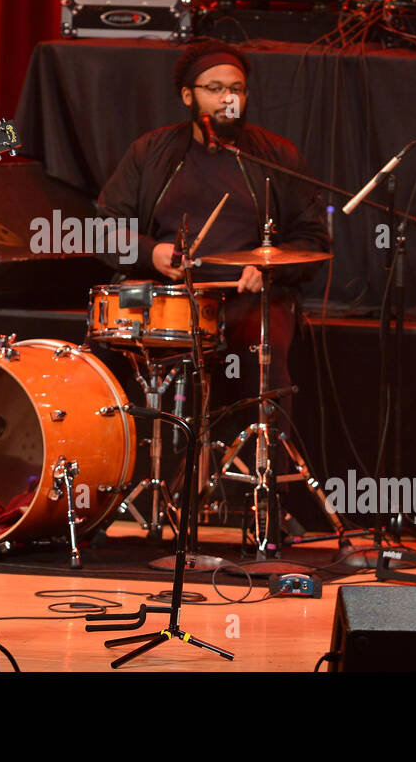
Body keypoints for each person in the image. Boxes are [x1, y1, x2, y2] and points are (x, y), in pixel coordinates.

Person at [96, 39, 330, 528]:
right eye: (215, 88)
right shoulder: (152, 151)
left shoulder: (274, 155)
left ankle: (265, 504)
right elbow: (104, 229)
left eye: (237, 89)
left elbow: (313, 237)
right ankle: (118, 486)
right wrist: (150, 253)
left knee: (263, 358)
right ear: (188, 96)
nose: (228, 100)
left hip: (248, 300)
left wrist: (269, 268)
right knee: (107, 346)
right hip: (168, 297)